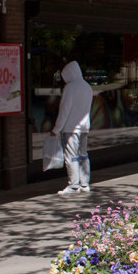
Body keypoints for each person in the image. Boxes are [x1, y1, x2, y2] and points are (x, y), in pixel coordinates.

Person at [51, 61, 94, 194]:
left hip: (70, 128)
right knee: (83, 155)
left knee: (71, 156)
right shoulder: (87, 87)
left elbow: (64, 111)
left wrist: (56, 129)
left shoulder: (70, 88)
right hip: (84, 127)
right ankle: (85, 183)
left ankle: (73, 185)